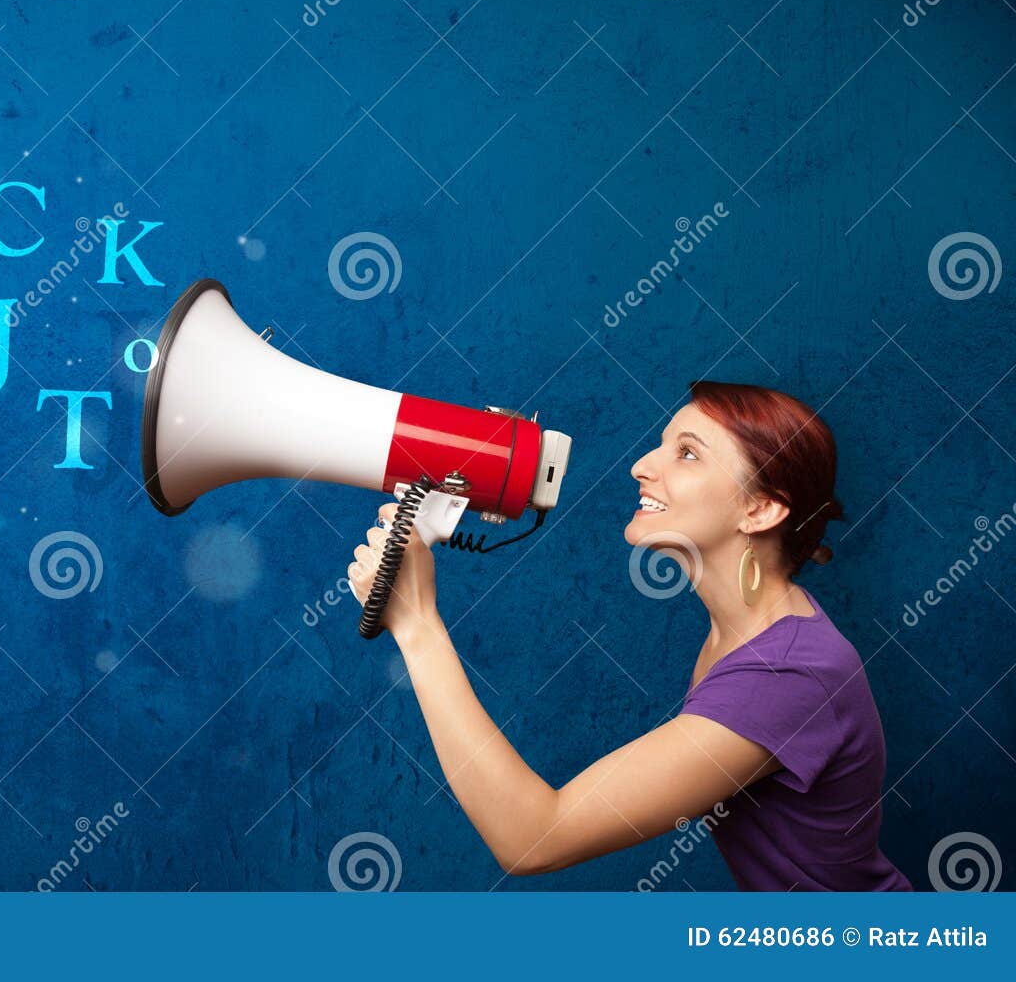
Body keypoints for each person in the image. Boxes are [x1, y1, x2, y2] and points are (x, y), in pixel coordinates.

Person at [348, 380, 910, 890]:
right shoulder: (749, 631)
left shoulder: (786, 675)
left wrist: (418, 627)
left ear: (759, 509)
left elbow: (533, 839)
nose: (641, 466)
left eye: (686, 453)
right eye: (661, 445)